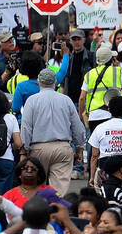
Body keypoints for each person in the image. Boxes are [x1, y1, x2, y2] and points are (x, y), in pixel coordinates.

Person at [20, 67, 88, 196]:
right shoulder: (66, 100)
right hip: (62, 148)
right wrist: (79, 148)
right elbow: (77, 127)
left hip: (38, 149)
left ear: (39, 82)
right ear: (55, 82)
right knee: (58, 192)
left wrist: (25, 150)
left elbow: (26, 128)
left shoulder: (32, 100)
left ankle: (39, 212)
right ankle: (55, 211)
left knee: (37, 189)